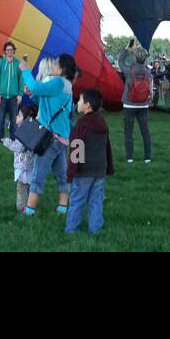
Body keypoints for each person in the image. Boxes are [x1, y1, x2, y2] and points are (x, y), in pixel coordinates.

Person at [21, 54, 75, 217]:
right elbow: (45, 99)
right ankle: (63, 207)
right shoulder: (67, 85)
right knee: (62, 175)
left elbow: (37, 88)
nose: (53, 66)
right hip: (62, 138)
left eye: (56, 64)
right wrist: (31, 95)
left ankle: (29, 211)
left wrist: (25, 71)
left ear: (63, 68)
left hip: (49, 139)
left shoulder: (57, 82)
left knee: (38, 175)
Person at [65, 88, 114, 234]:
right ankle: (95, 228)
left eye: (79, 100)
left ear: (87, 105)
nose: (77, 103)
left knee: (77, 200)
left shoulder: (81, 125)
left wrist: (71, 172)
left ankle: (71, 229)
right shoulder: (102, 123)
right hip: (99, 170)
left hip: (83, 171)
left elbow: (76, 151)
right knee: (96, 200)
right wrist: (109, 167)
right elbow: (107, 147)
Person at [0, 102, 39, 211]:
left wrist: (6, 141)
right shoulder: (30, 129)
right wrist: (7, 124)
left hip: (23, 166)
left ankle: (22, 208)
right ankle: (30, 205)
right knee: (28, 187)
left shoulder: (24, 132)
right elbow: (14, 127)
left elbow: (19, 147)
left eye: (19, 115)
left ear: (26, 119)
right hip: (30, 165)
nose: (16, 117)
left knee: (21, 188)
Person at [118, 46, 152, 163]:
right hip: (143, 104)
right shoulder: (148, 71)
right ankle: (147, 158)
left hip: (129, 104)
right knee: (145, 132)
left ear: (135, 57)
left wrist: (126, 49)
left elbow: (120, 62)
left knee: (128, 132)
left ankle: (129, 158)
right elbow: (150, 88)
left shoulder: (129, 70)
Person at [0, 42, 22, 141]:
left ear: (14, 51)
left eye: (11, 49)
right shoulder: (0, 63)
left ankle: (13, 138)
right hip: (2, 97)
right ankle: (0, 138)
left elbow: (21, 79)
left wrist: (20, 94)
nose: (9, 51)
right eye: (8, 50)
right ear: (5, 51)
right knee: (0, 119)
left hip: (14, 97)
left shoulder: (18, 63)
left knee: (13, 120)